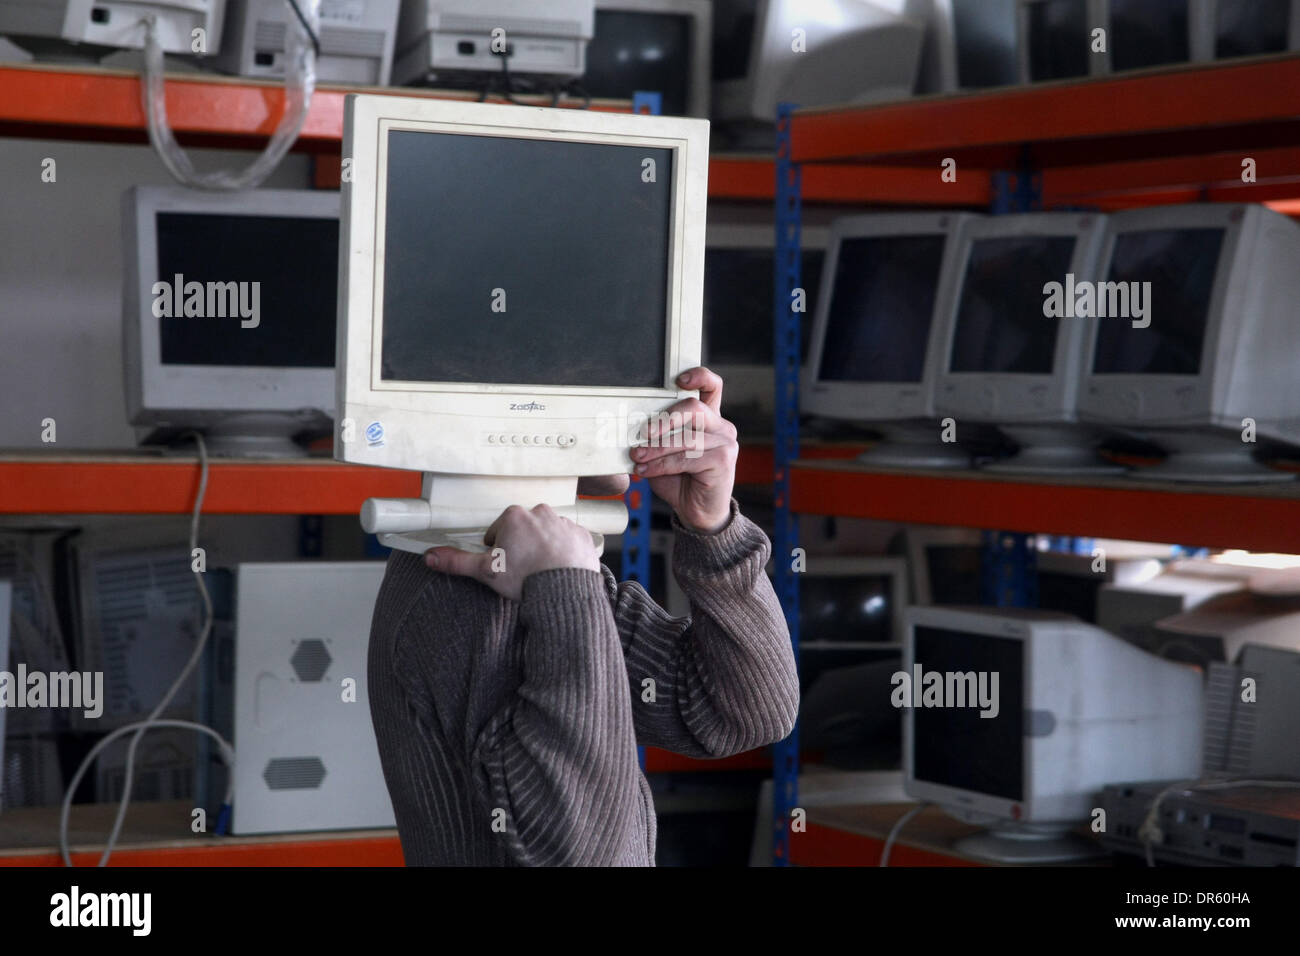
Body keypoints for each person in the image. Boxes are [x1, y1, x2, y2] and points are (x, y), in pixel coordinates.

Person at [367, 367, 799, 865]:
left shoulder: (539, 556)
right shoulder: (465, 584)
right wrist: (564, 586)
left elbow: (748, 715)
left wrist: (712, 526)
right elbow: (583, 847)